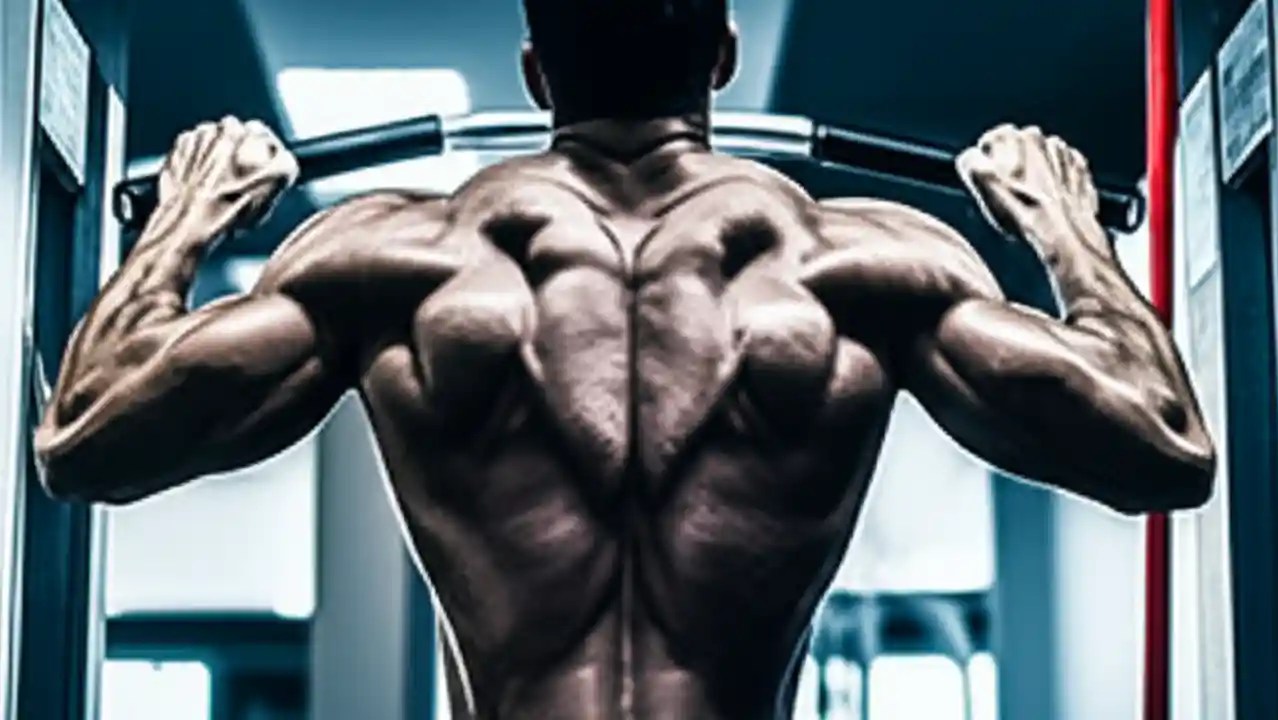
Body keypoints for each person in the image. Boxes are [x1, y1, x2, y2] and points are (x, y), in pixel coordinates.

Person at [35, 1, 1215, 718]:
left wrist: (185, 221)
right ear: (723, 54)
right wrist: (1059, 228)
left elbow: (84, 435)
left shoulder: (400, 261)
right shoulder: (863, 266)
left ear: (536, 73)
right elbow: (1162, 446)